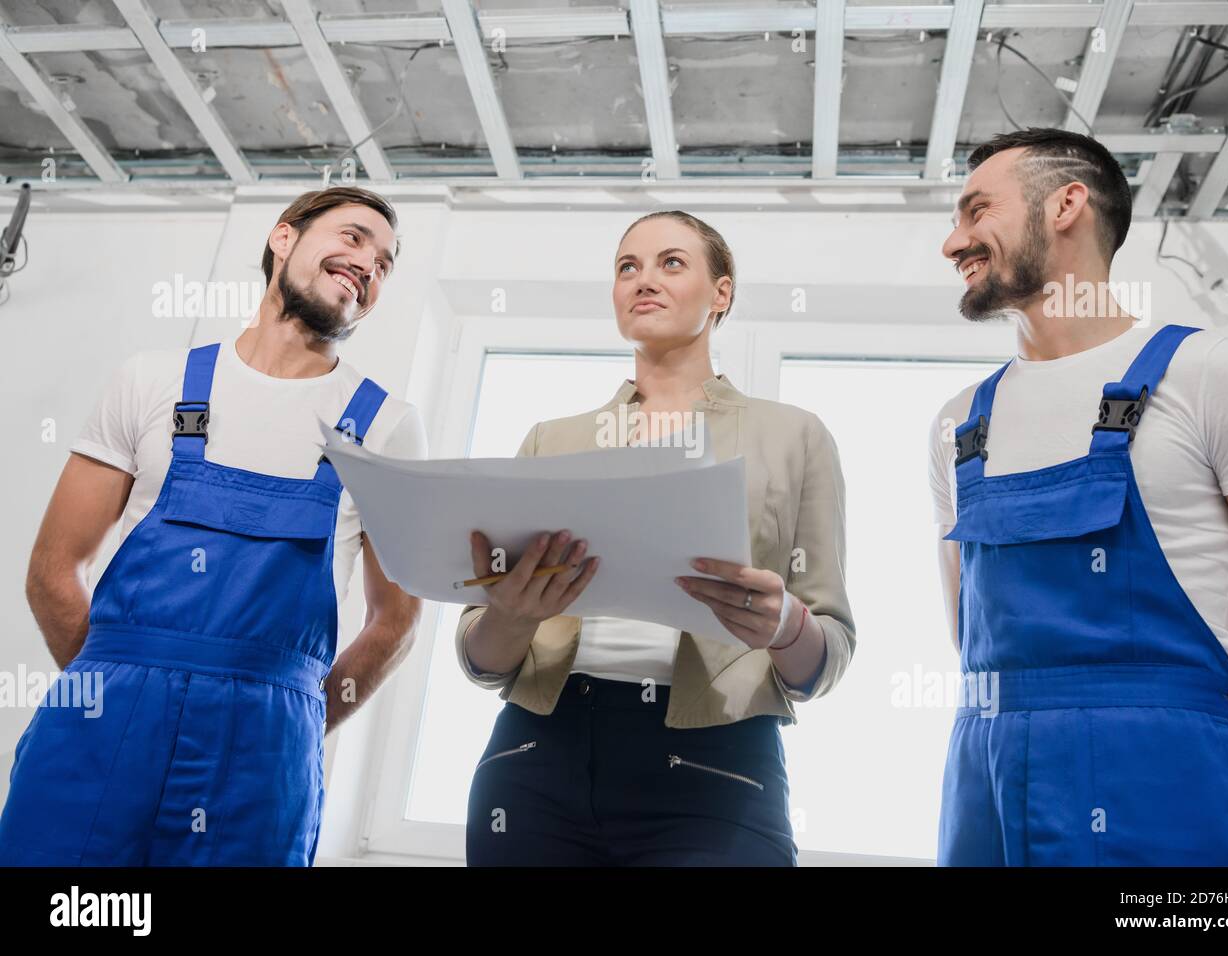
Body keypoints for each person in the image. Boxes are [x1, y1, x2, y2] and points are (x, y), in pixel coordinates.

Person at [0, 186, 426, 866]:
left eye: (385, 261)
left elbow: (396, 620)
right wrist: (111, 690)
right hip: (100, 725)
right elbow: (53, 569)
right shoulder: (152, 381)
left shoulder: (385, 426)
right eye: (352, 237)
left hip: (266, 748)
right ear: (283, 237)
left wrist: (300, 719)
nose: (367, 262)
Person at [931, 128, 1228, 865]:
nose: (953, 241)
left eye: (977, 211)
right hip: (988, 793)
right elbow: (975, 641)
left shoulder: (1208, 373)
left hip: (1176, 798)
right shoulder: (959, 424)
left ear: (1067, 204)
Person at [456, 210, 855, 866]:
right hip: (533, 761)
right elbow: (482, 660)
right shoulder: (550, 441)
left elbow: (828, 653)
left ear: (721, 293)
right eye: (626, 267)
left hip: (718, 768)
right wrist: (508, 614)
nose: (645, 279)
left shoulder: (795, 436)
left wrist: (783, 623)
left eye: (671, 262)